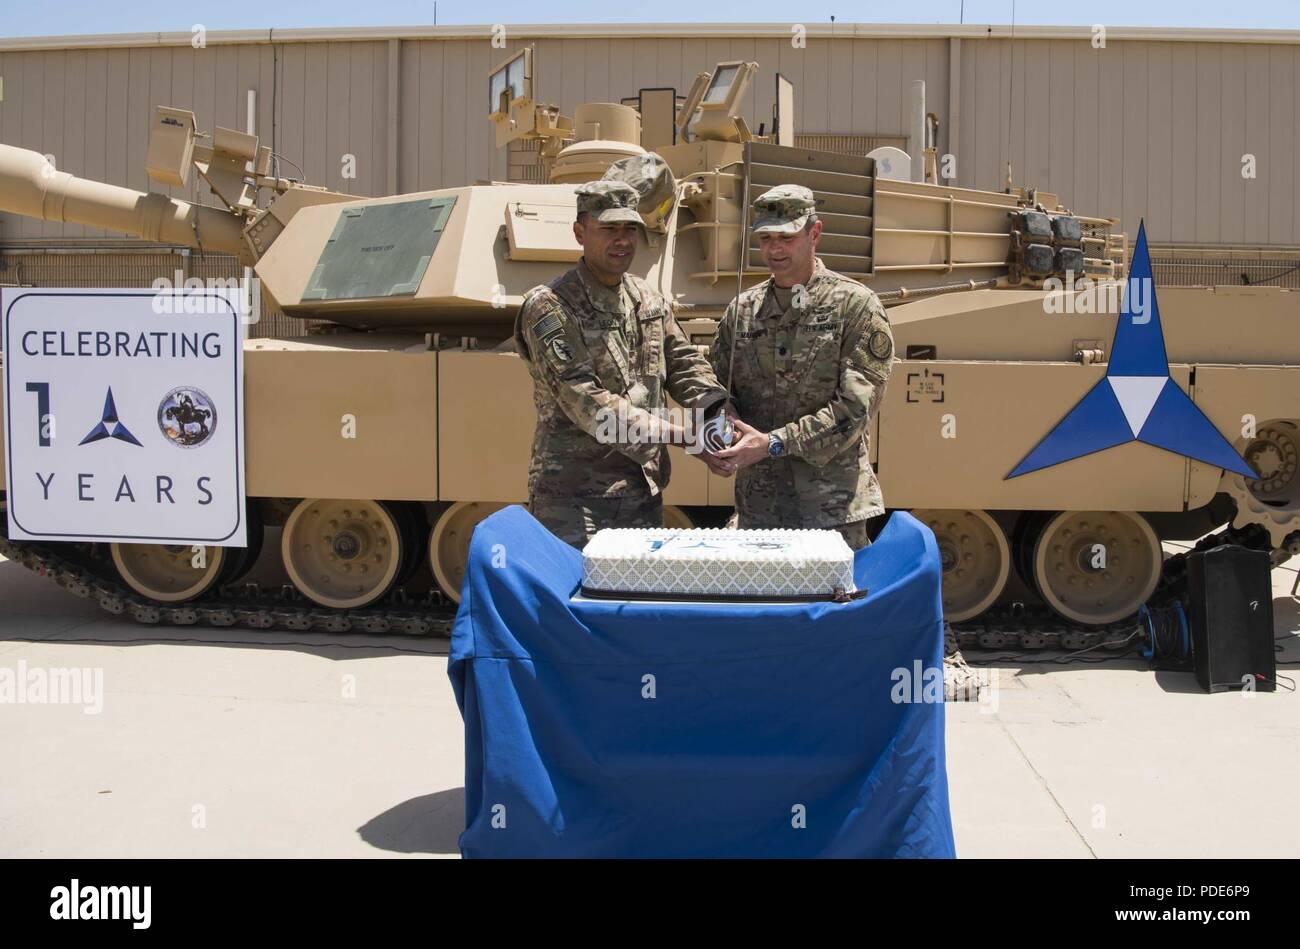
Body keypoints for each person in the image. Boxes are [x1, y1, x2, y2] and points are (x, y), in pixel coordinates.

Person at [514, 178, 731, 547]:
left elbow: (681, 361)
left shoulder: (645, 296)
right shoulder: (551, 306)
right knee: (577, 602)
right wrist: (687, 436)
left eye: (630, 228)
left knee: (633, 602)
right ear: (580, 233)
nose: (623, 239)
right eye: (609, 228)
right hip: (575, 502)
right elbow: (589, 404)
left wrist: (718, 414)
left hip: (641, 491)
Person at [710, 184, 894, 550]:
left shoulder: (856, 306)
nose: (774, 249)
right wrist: (722, 423)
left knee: (832, 608)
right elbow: (716, 388)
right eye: (765, 238)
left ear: (815, 233)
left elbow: (853, 412)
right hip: (758, 512)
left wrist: (772, 444)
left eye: (786, 237)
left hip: (832, 514)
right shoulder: (742, 311)